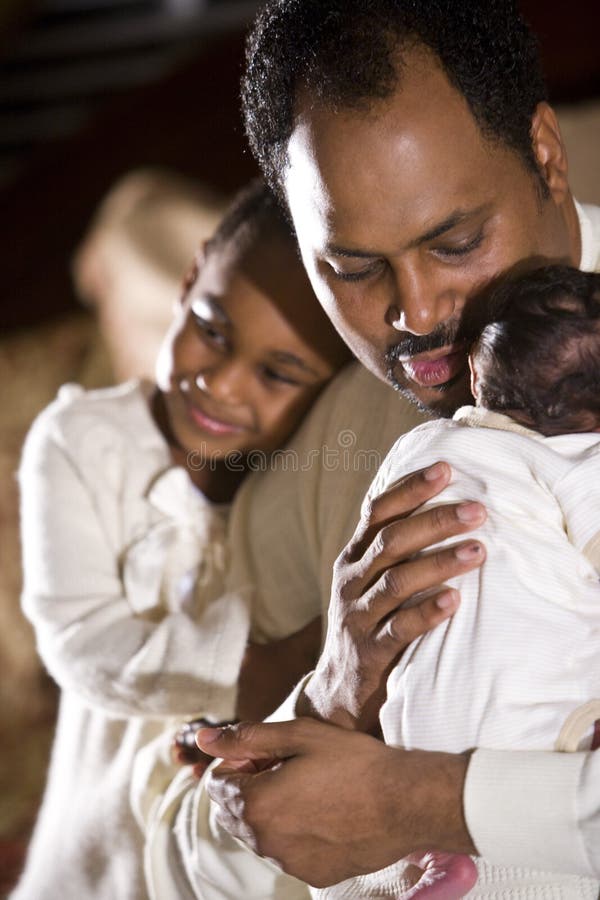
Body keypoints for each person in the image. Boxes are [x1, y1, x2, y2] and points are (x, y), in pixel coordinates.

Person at [179, 0, 600, 894]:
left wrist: (420, 803)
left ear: (546, 156)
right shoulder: (335, 447)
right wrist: (335, 697)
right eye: (354, 268)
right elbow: (187, 857)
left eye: (456, 242)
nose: (415, 314)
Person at [11, 180, 352, 900]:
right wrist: (244, 672)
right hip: (98, 839)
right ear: (192, 277)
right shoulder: (80, 440)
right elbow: (78, 639)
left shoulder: (311, 472)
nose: (221, 384)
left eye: (276, 373)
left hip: (222, 846)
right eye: (213, 331)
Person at [320, 264, 600, 898]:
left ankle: (440, 858)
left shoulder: (418, 448)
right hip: (540, 732)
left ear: (475, 376)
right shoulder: (580, 459)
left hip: (415, 730)